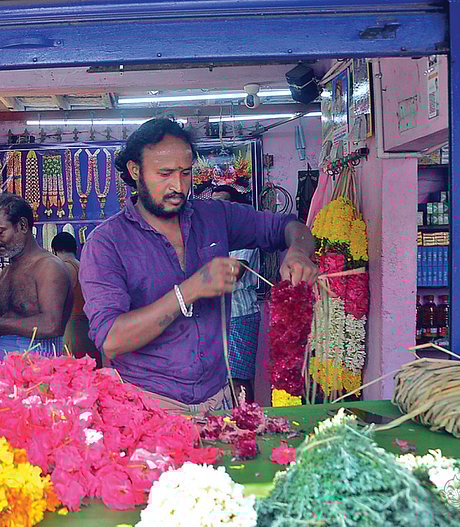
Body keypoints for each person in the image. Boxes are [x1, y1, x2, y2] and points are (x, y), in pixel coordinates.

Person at [79, 118, 318, 418]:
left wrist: (298, 251)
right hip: (146, 408)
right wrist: (190, 291)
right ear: (134, 171)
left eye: (186, 173)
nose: (178, 186)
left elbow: (289, 226)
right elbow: (111, 339)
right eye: (164, 174)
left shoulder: (214, 216)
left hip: (218, 402)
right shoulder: (106, 243)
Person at [209, 184, 263, 404]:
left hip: (241, 316)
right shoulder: (213, 236)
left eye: (223, 203)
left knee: (238, 378)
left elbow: (233, 273)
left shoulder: (244, 236)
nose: (217, 209)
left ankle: (247, 423)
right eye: (214, 204)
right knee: (219, 380)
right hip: (217, 317)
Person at [0, 194, 72, 358]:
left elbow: (52, 325)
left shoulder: (48, 267)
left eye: (1, 231)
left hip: (38, 368)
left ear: (23, 226)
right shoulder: (6, 272)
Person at [49, 231, 101, 364]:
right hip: (88, 325)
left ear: (54, 250)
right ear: (76, 248)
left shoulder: (65, 267)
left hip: (72, 327)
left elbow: (56, 300)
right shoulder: (82, 265)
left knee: (73, 370)